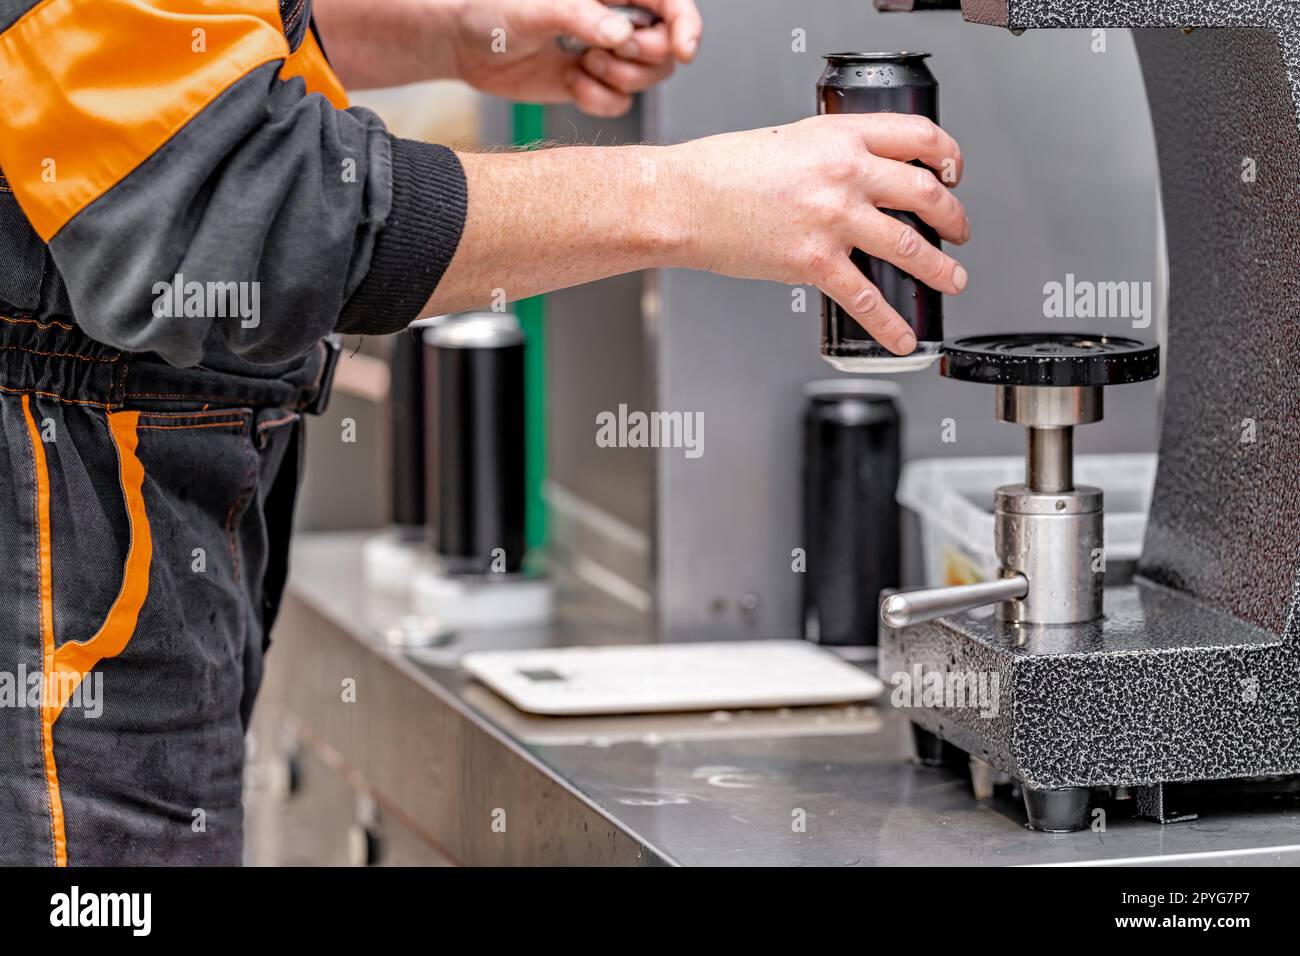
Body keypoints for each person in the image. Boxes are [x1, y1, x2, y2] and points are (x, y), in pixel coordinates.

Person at [0, 0, 967, 865]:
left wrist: (450, 28)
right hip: (61, 569)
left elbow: (155, 49)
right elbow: (235, 220)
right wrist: (690, 197)